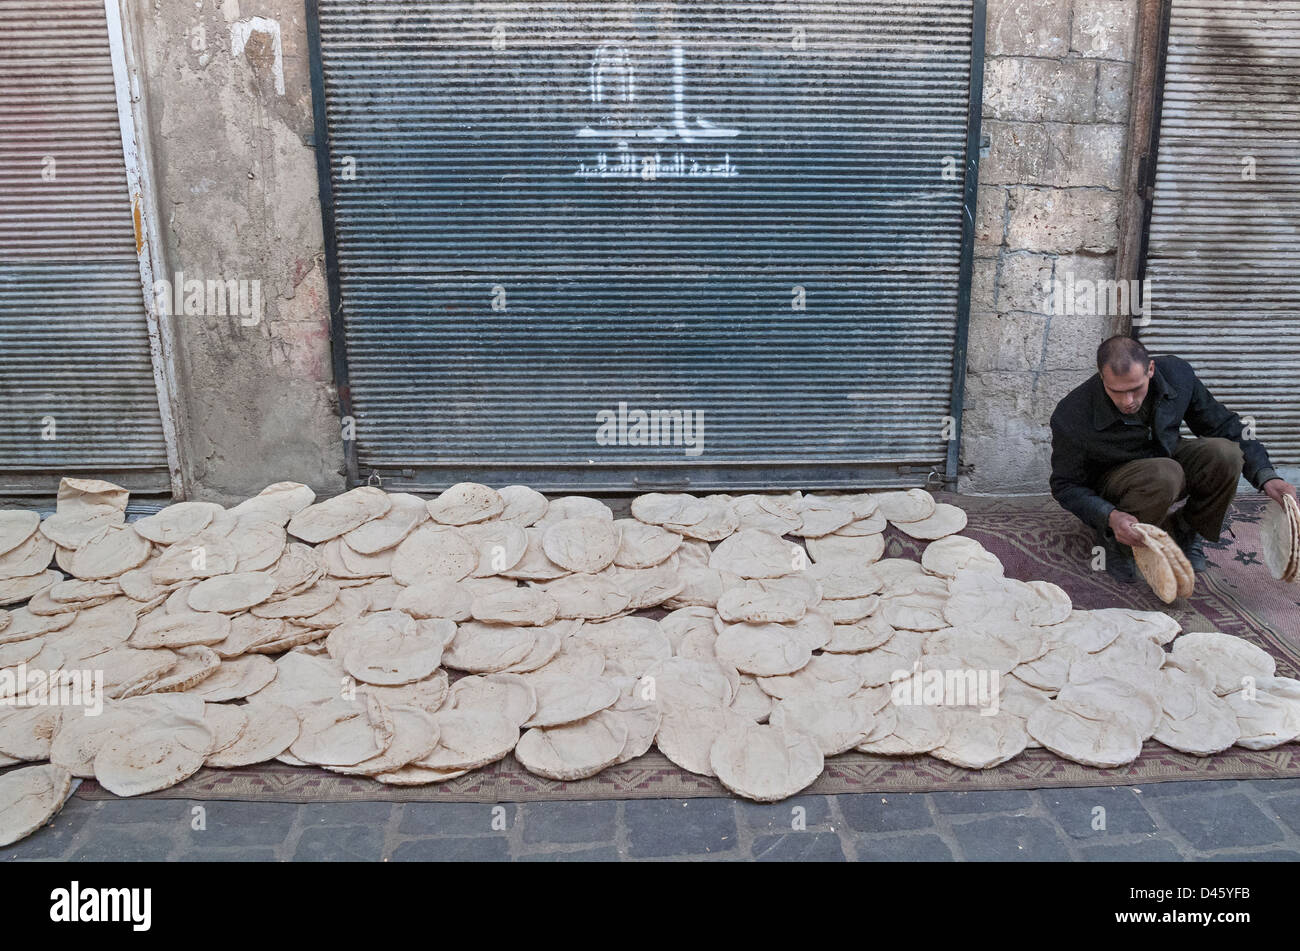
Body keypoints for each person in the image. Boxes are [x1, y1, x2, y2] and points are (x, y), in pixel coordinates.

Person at [1049, 336, 1297, 583]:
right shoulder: (1072, 413)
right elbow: (1065, 485)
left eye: (1136, 388)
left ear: (1151, 370)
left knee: (1225, 454)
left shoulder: (1177, 375)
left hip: (1164, 455)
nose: (1128, 401)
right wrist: (1109, 516)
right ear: (1102, 378)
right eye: (1117, 391)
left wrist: (1265, 475)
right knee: (1165, 473)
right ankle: (1119, 544)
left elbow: (1224, 425)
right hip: (1116, 481)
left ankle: (1186, 530)